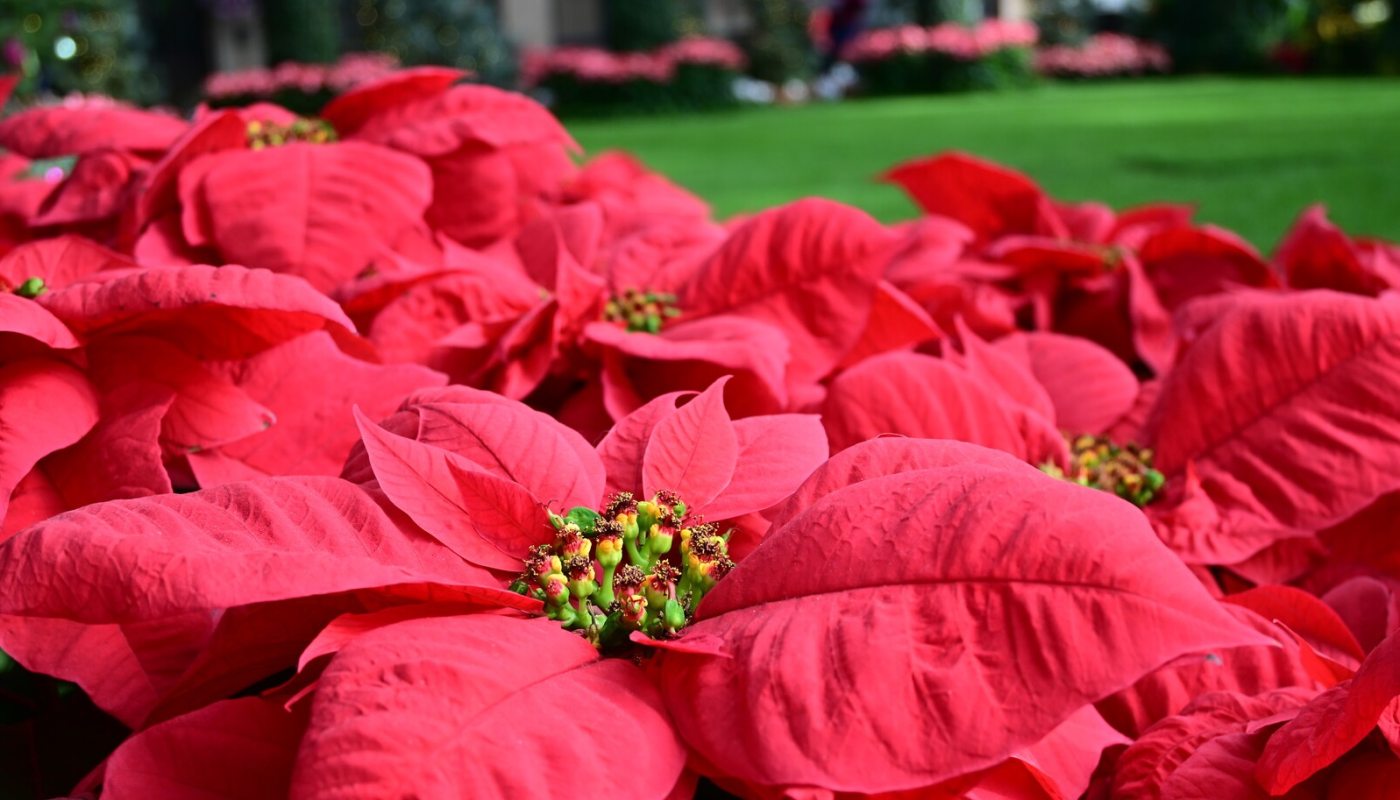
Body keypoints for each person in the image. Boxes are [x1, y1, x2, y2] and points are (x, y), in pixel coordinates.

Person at [821, 0, 870, 73]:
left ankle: (825, 71)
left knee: (833, 52)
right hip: (839, 24)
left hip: (844, 26)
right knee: (830, 51)